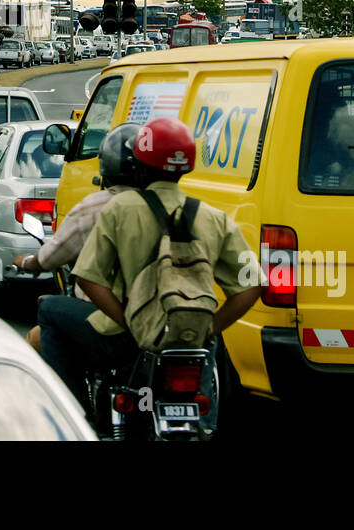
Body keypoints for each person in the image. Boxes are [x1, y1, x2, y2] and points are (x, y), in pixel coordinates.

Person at [38, 116, 266, 418]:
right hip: (189, 336)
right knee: (206, 357)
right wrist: (211, 328)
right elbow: (252, 285)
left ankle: (76, 416)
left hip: (127, 337)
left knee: (49, 309)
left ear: (139, 163)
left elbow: (88, 278)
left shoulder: (121, 208)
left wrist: (129, 321)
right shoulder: (213, 217)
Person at [13, 123, 141, 353]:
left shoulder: (96, 206)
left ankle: (66, 390)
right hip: (163, 318)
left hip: (111, 320)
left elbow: (54, 256)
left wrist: (28, 262)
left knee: (48, 310)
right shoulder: (178, 209)